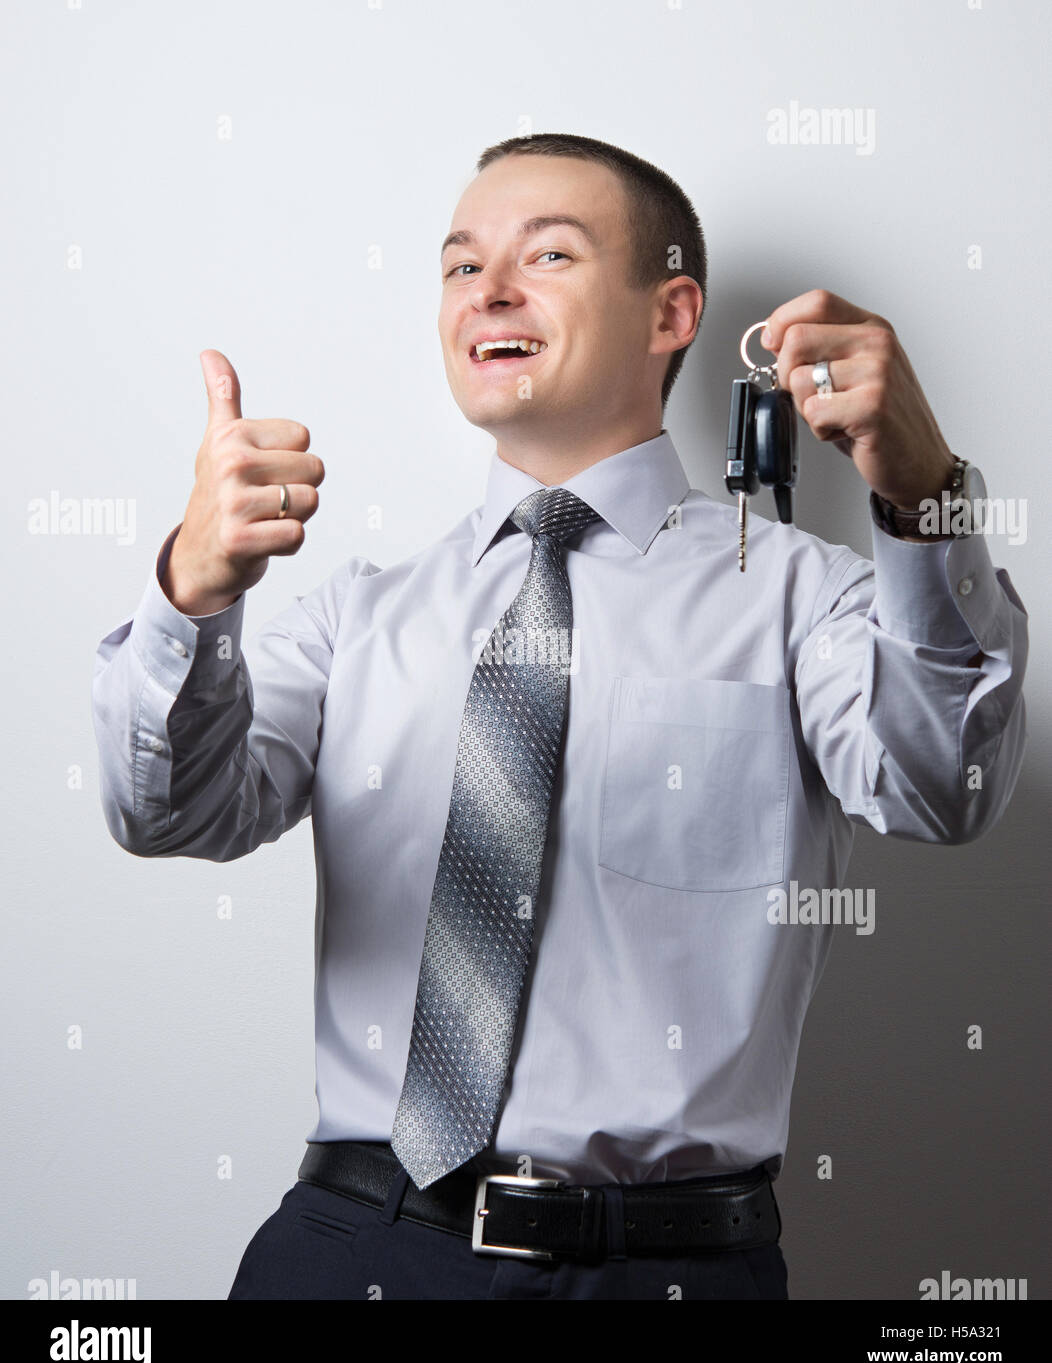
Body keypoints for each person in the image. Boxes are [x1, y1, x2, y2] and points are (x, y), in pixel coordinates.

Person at [91, 132, 1027, 1301]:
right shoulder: (352, 618)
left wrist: (924, 496)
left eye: (547, 254)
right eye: (458, 265)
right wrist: (191, 590)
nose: (487, 289)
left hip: (666, 1274)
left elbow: (948, 787)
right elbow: (164, 809)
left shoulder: (804, 598)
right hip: (351, 1252)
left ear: (670, 311)